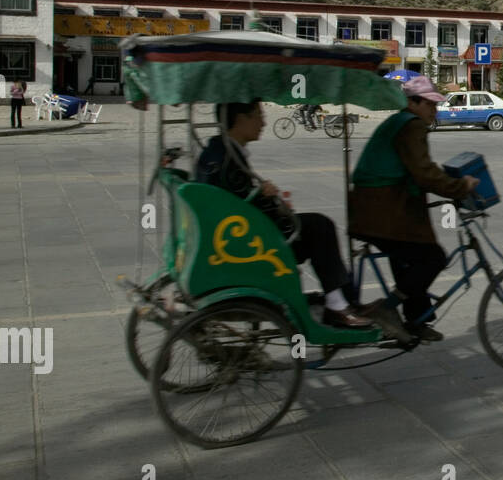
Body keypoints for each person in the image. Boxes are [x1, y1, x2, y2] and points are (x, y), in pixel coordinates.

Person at [195, 101, 372, 329]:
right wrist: (266, 197)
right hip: (248, 242)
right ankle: (338, 305)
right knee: (320, 226)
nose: (264, 122)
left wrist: (262, 194)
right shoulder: (227, 159)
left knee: (315, 224)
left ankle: (344, 300)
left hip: (233, 233)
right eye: (258, 115)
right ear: (240, 119)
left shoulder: (219, 150)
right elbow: (240, 205)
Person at [349, 76, 479, 343]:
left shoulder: (396, 122)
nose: (434, 110)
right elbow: (424, 173)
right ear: (412, 102)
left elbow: (415, 169)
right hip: (382, 211)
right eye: (429, 104)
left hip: (370, 209)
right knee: (432, 258)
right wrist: (460, 187)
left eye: (435, 105)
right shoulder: (412, 125)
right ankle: (385, 310)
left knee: (409, 256)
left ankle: (415, 321)